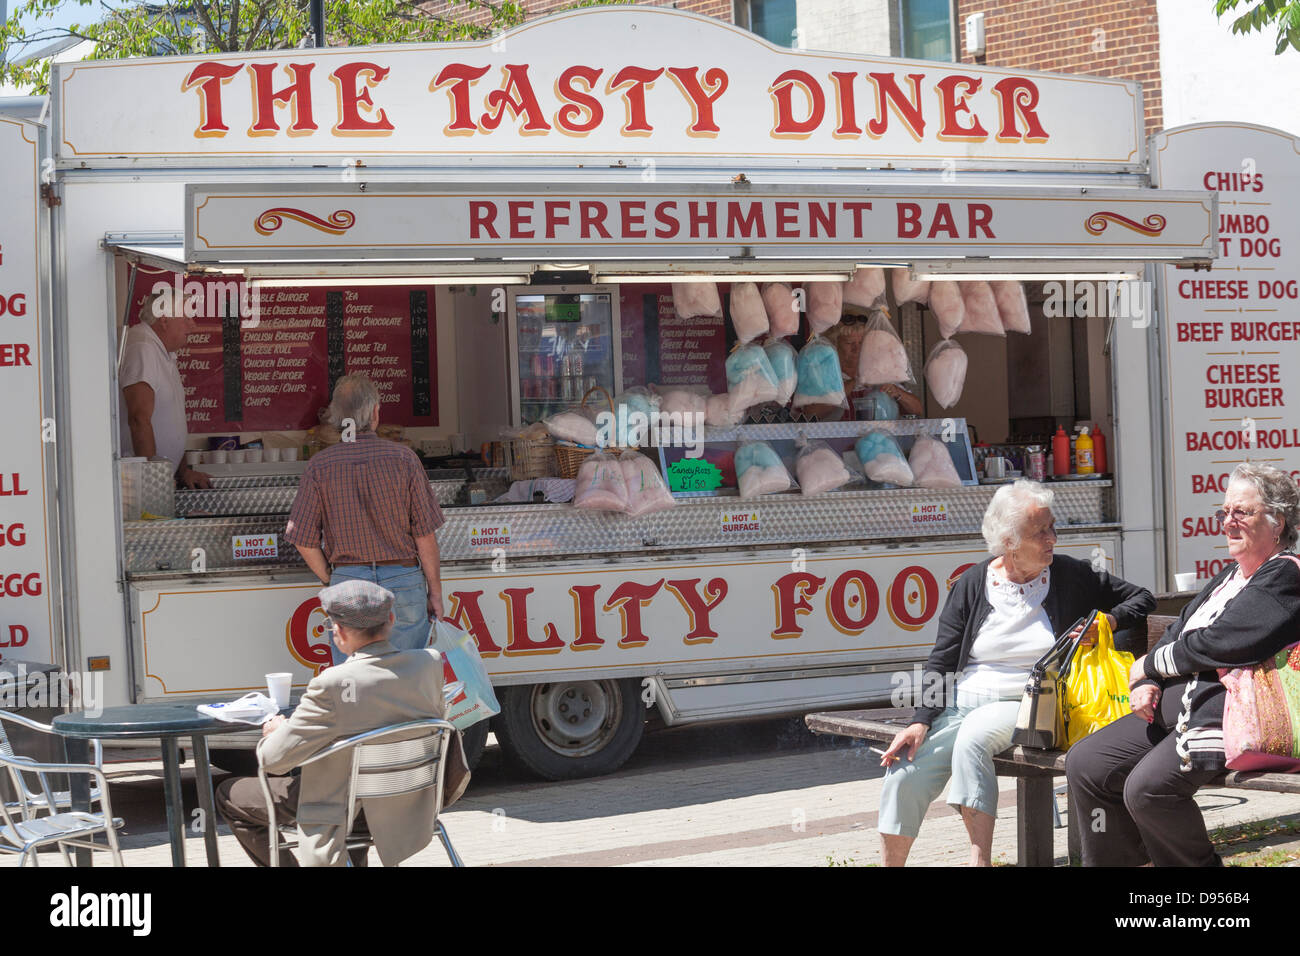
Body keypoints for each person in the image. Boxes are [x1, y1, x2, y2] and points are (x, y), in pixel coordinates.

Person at [877, 479, 1155, 866]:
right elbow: (942, 658)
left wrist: (1108, 620)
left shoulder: (1070, 575)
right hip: (962, 704)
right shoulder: (974, 582)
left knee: (973, 740)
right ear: (1008, 541)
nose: (1052, 539)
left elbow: (1141, 597)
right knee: (904, 768)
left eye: (1052, 527)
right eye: (1040, 532)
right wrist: (920, 721)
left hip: (1030, 702)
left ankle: (980, 861)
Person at [1067, 462, 1300, 866]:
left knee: (1148, 790)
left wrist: (1149, 665)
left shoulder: (1285, 575)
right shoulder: (1230, 576)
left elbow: (1224, 642)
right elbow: (1181, 628)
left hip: (1223, 719)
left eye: (1241, 512)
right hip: (1171, 712)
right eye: (1224, 512)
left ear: (1277, 521)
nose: (1228, 522)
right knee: (1087, 763)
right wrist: (1146, 678)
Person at [214, 580, 469, 867]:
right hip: (407, 805)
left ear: (338, 631)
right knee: (347, 776)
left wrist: (277, 731)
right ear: (393, 620)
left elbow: (273, 761)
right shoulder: (428, 663)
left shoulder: (331, 684)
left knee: (229, 794)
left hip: (342, 812)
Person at [285, 374, 446, 664]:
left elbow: (303, 540)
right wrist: (435, 592)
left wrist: (330, 578)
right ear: (375, 413)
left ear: (336, 417)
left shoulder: (320, 466)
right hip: (403, 581)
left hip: (348, 582)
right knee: (407, 676)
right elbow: (425, 535)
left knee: (354, 681)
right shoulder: (404, 459)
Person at [118, 288, 211, 489]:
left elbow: (169, 420)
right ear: (164, 319)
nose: (193, 325)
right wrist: (153, 482)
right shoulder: (142, 347)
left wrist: (183, 470)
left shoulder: (164, 352)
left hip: (160, 479)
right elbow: (138, 418)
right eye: (186, 318)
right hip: (141, 485)